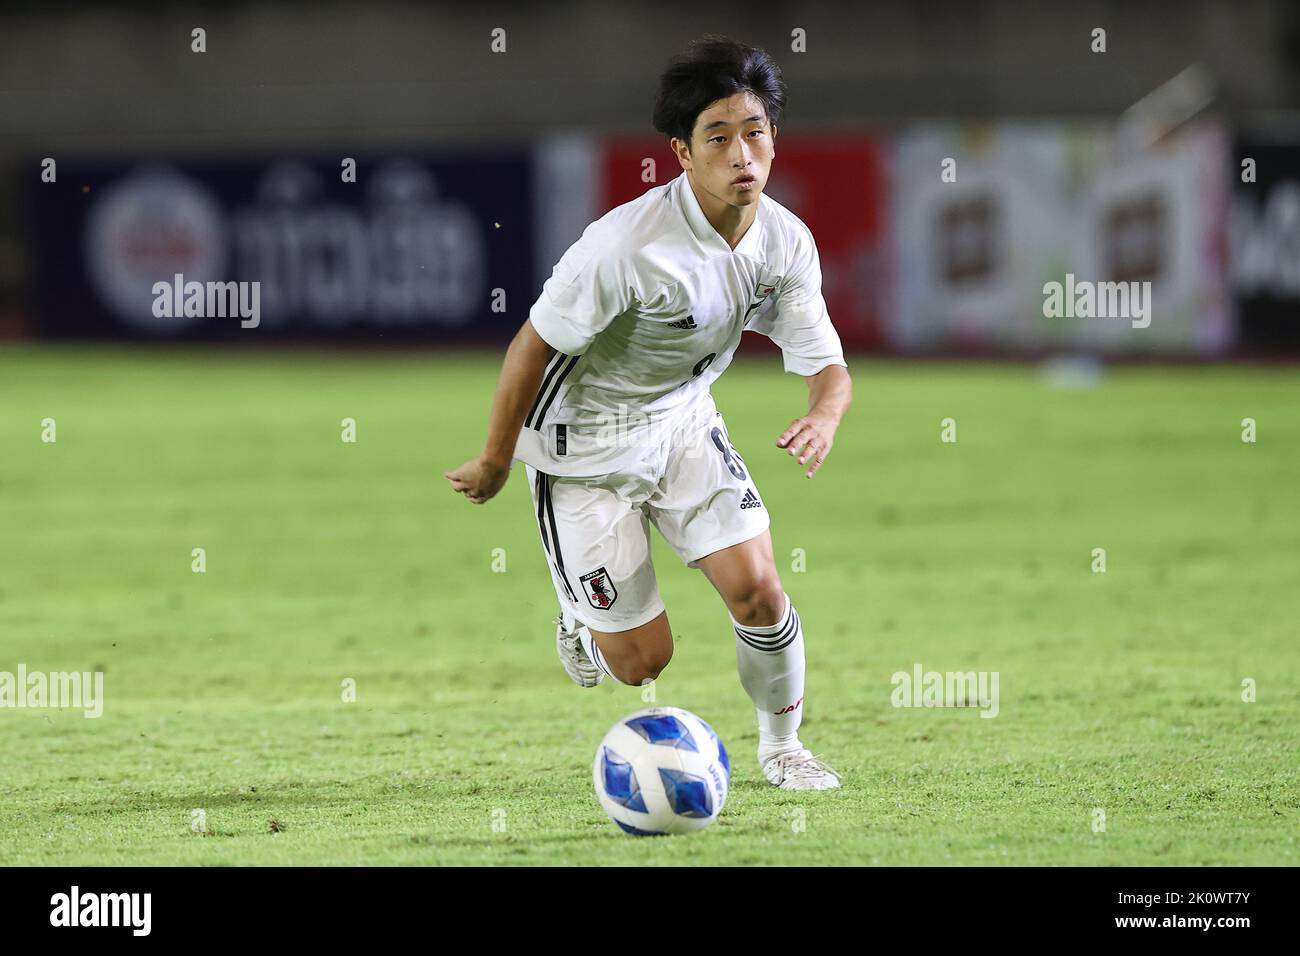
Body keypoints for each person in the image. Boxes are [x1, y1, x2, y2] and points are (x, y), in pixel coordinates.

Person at [446, 35, 852, 790]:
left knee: (760, 590)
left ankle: (783, 747)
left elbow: (827, 363)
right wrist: (498, 459)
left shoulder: (785, 242)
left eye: (754, 132)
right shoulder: (626, 248)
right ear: (682, 152)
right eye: (718, 137)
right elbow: (530, 347)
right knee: (642, 666)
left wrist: (824, 415)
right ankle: (579, 613)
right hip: (582, 452)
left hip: (684, 425)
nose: (741, 154)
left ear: (774, 139)